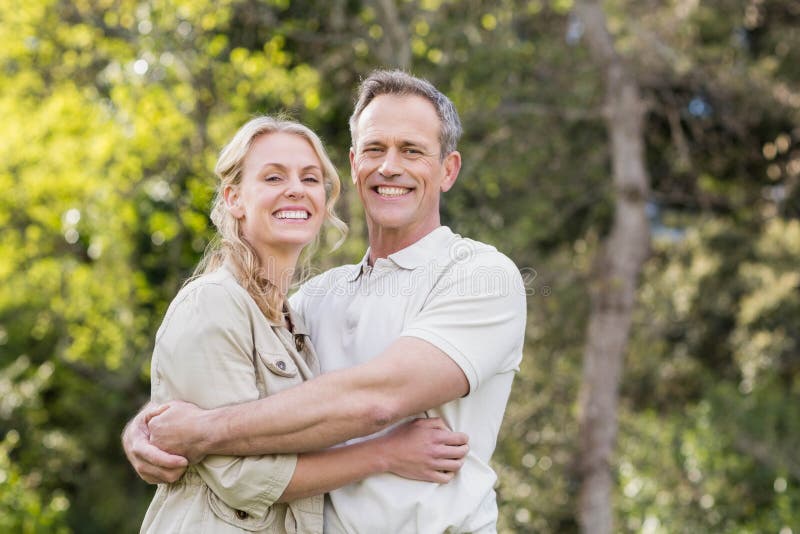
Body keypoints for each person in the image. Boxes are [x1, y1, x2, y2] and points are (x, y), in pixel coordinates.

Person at [124, 70, 527, 533]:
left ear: (448, 170)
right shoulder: (313, 300)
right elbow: (231, 378)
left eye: (411, 150)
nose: (389, 166)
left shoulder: (479, 276)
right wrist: (149, 428)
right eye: (374, 149)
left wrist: (203, 432)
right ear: (354, 165)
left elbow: (377, 401)